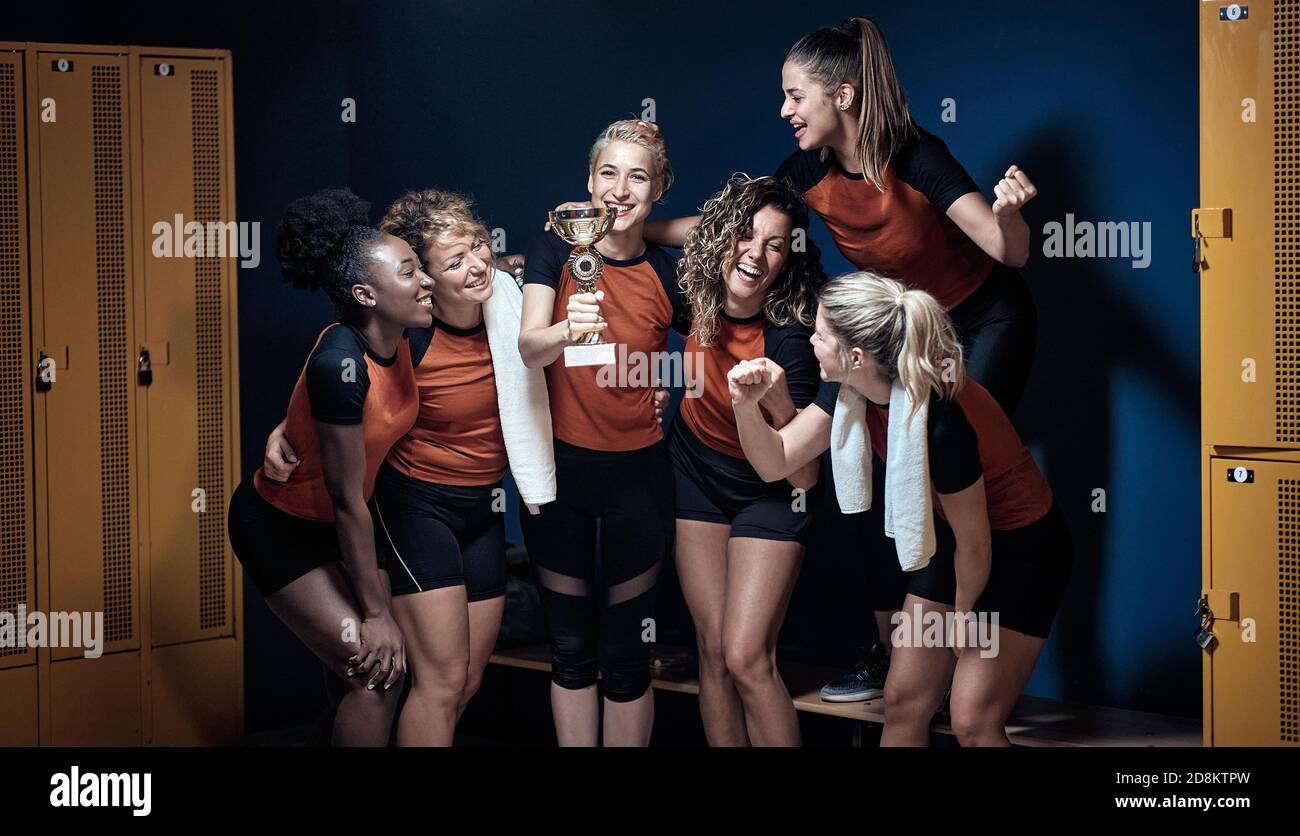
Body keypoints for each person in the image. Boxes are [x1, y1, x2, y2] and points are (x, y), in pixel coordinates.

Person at [727, 272, 1071, 746]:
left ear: (855, 356)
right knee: (905, 700)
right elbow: (777, 462)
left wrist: (961, 623)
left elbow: (977, 544)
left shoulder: (941, 424)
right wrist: (745, 406)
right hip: (952, 542)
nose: (811, 340)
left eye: (821, 334)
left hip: (1020, 550)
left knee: (972, 721)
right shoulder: (850, 387)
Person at [226, 188, 432, 746]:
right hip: (281, 529)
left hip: (336, 529)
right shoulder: (340, 364)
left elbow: (485, 272)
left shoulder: (402, 331)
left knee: (354, 677)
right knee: (378, 673)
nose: (427, 279)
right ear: (366, 294)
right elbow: (346, 498)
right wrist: (375, 613)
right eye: (410, 270)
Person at [518, 118, 691, 746]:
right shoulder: (554, 251)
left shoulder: (668, 272)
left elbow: (705, 357)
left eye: (638, 177)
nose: (619, 189)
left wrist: (662, 376)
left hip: (639, 478)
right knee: (569, 648)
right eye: (608, 174)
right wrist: (569, 328)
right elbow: (529, 348)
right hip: (561, 473)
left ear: (658, 190)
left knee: (626, 655)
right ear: (589, 182)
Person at [669, 174, 825, 745]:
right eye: (744, 234)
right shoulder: (693, 295)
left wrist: (779, 400)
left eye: (776, 244)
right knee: (711, 651)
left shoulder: (794, 338)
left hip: (773, 491)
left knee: (746, 657)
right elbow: (632, 251)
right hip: (698, 478)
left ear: (789, 261)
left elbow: (803, 472)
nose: (755, 254)